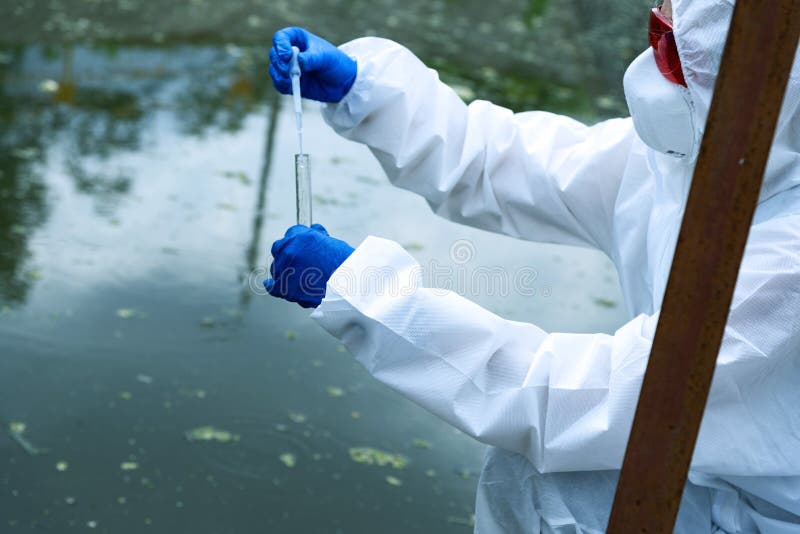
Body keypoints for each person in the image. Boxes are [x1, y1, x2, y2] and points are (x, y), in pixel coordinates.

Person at [266, 0, 800, 531]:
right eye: (660, 24)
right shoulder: (710, 160)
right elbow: (519, 164)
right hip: (714, 480)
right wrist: (368, 91)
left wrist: (365, 291)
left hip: (767, 515)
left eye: (672, 46)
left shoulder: (786, 261)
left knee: (561, 467)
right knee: (547, 475)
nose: (655, 54)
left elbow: (570, 401)